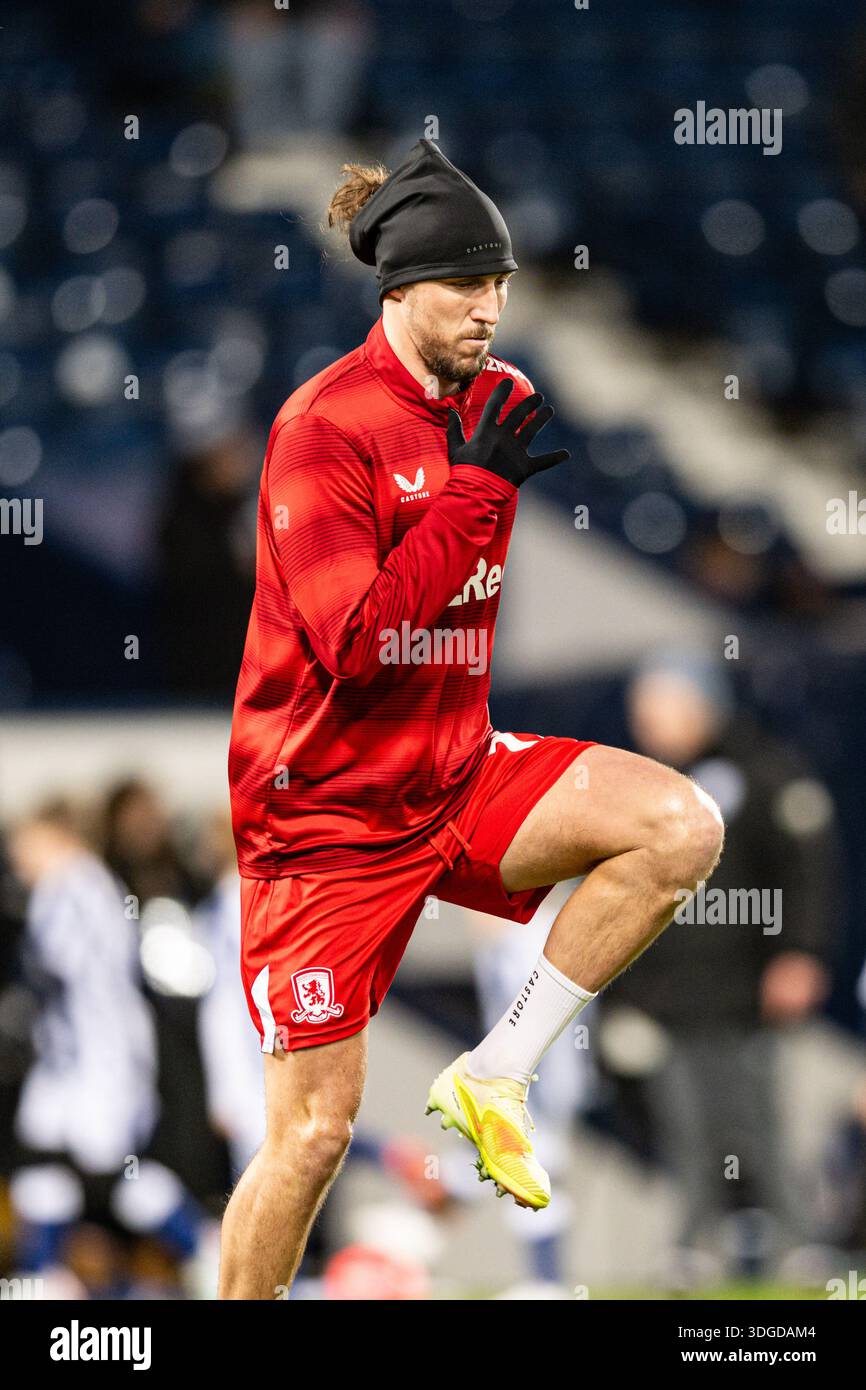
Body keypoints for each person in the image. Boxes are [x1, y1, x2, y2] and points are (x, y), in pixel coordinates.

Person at [221, 138, 724, 1299]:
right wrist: (475, 498)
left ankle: (496, 1071)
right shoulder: (323, 430)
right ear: (400, 291)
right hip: (326, 818)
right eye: (465, 285)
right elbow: (355, 645)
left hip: (450, 774)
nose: (490, 308)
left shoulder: (494, 401)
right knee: (310, 1137)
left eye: (499, 283)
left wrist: (468, 491)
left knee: (677, 828)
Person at [613, 647, 838, 1280]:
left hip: (747, 986)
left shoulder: (764, 771)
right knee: (683, 1123)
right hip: (670, 991)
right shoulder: (644, 785)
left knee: (757, 1116)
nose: (646, 722)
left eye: (657, 707)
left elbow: (807, 870)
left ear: (698, 703)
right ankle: (692, 1247)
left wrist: (800, 953)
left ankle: (798, 1241)